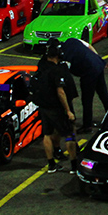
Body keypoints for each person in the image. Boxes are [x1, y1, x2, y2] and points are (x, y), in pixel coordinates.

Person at [33, 40, 77, 172]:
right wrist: (68, 110)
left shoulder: (42, 65)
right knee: (69, 135)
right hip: (56, 108)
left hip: (43, 106)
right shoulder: (57, 70)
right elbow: (60, 92)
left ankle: (51, 164)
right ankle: (74, 166)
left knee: (47, 134)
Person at [60, 37, 108, 132]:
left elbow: (65, 73)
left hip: (89, 71)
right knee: (103, 93)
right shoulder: (72, 40)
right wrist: (98, 59)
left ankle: (87, 126)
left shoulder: (64, 56)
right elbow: (89, 46)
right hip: (98, 63)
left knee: (87, 99)